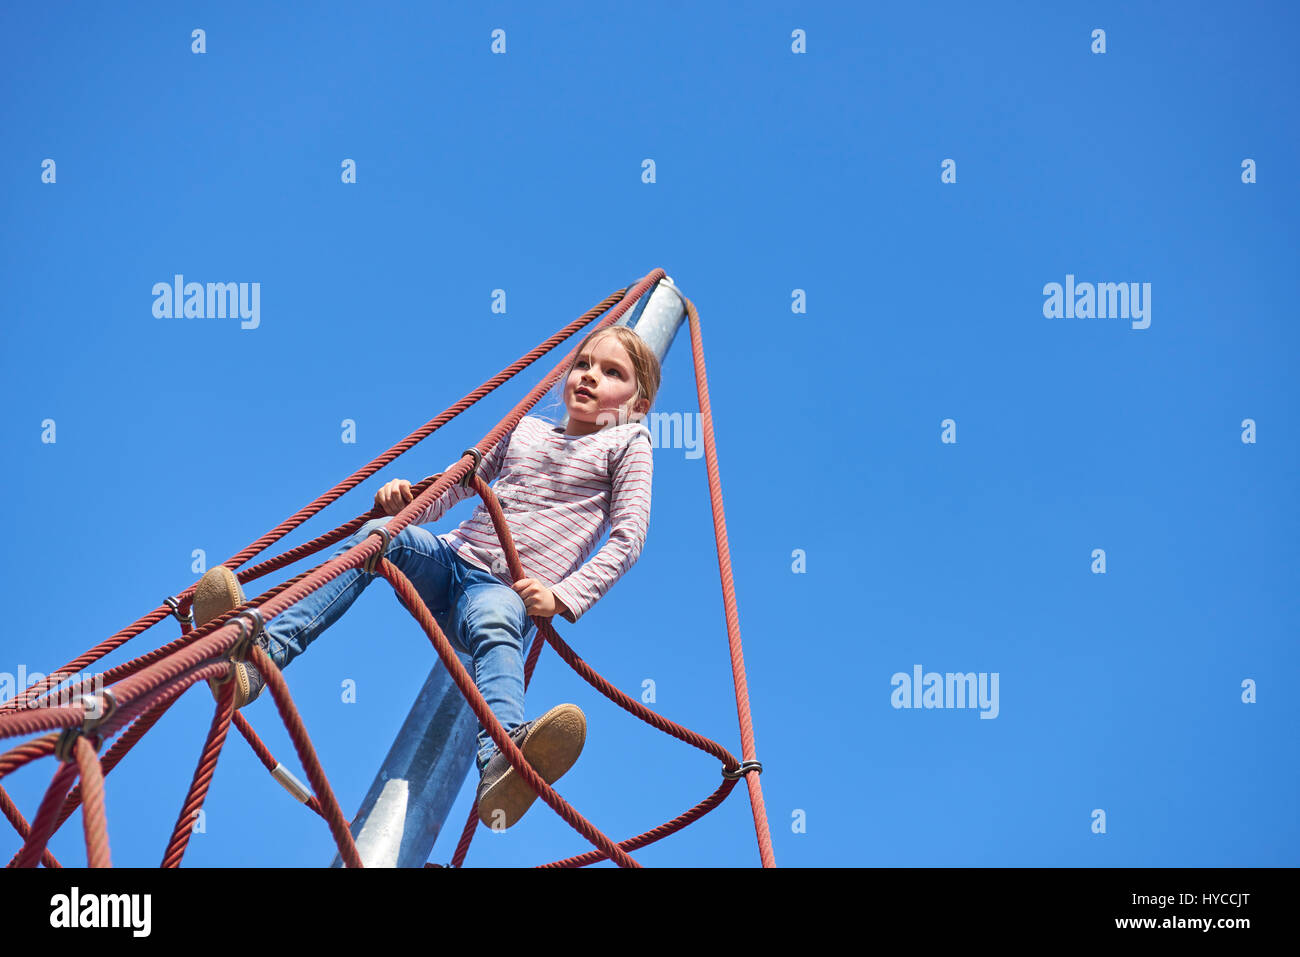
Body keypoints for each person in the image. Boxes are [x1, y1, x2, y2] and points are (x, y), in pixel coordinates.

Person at [192, 325, 660, 829]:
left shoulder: (628, 441)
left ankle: (503, 758)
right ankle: (259, 656)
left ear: (638, 402)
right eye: (584, 364)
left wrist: (563, 596)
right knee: (377, 537)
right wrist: (406, 505)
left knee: (498, 621)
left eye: (612, 373)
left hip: (502, 590)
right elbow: (459, 484)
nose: (590, 376)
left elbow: (629, 537)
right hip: (451, 559)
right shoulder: (527, 429)